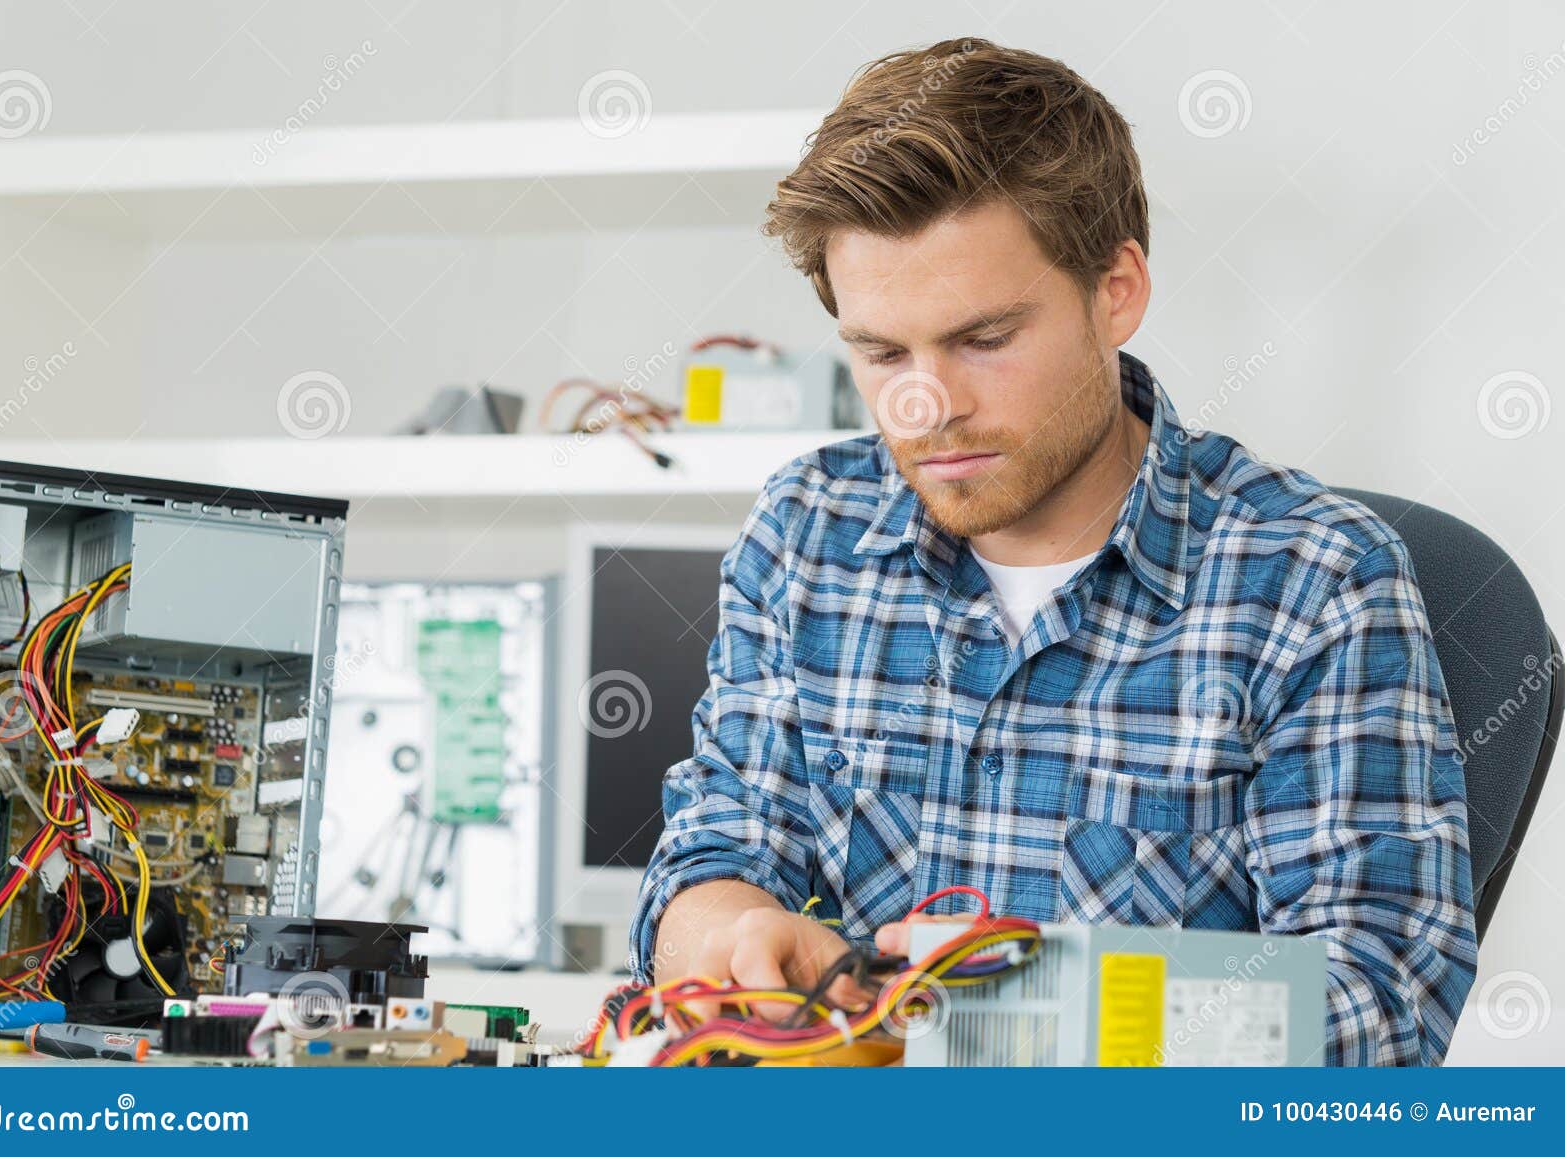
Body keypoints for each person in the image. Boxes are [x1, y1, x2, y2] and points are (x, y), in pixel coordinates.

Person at [629, 38, 1476, 1065]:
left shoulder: (1313, 580)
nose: (927, 405)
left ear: (1115, 288)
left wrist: (1020, 1015)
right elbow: (712, 853)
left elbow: (1384, 1005)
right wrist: (726, 933)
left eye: (983, 337)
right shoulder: (806, 530)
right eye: (883, 352)